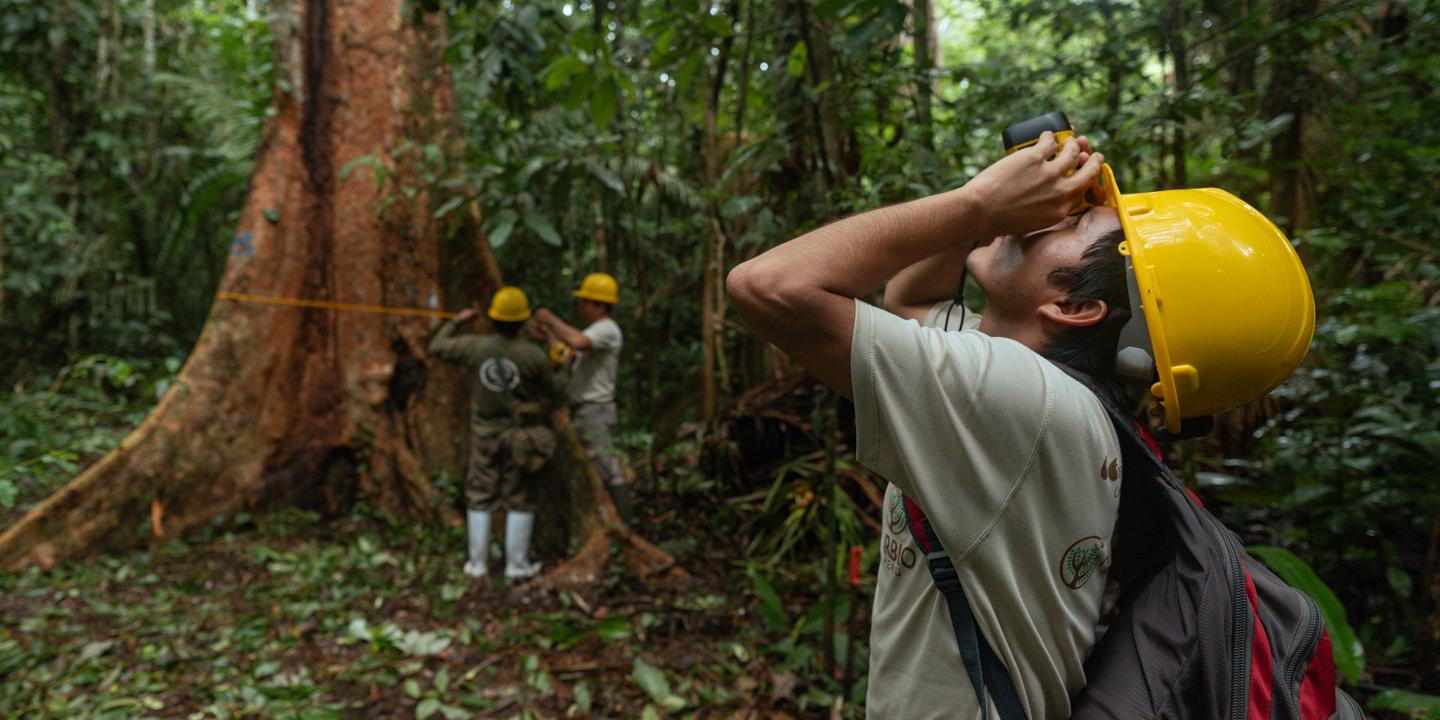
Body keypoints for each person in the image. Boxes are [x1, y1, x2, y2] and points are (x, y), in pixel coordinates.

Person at [728, 132, 1128, 718]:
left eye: (1069, 228)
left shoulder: (1018, 396)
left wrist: (981, 207)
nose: (1045, 222)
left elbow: (766, 285)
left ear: (1073, 309)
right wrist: (984, 205)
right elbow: (911, 298)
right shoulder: (1039, 386)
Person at [429, 286, 562, 580]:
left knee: (480, 493)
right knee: (519, 494)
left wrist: (457, 321)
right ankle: (517, 565)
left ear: (493, 318)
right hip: (520, 436)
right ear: (523, 321)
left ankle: (478, 565)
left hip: (485, 433)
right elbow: (556, 391)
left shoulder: (475, 347)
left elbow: (437, 346)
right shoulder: (533, 356)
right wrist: (560, 362)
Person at [532, 273, 632, 522]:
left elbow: (576, 341)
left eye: (584, 301)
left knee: (606, 467)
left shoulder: (607, 330)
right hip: (582, 408)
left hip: (595, 409)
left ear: (598, 305)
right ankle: (604, 521)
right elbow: (569, 355)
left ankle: (623, 524)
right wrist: (549, 338)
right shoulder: (594, 331)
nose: (580, 306)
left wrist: (549, 319)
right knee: (591, 465)